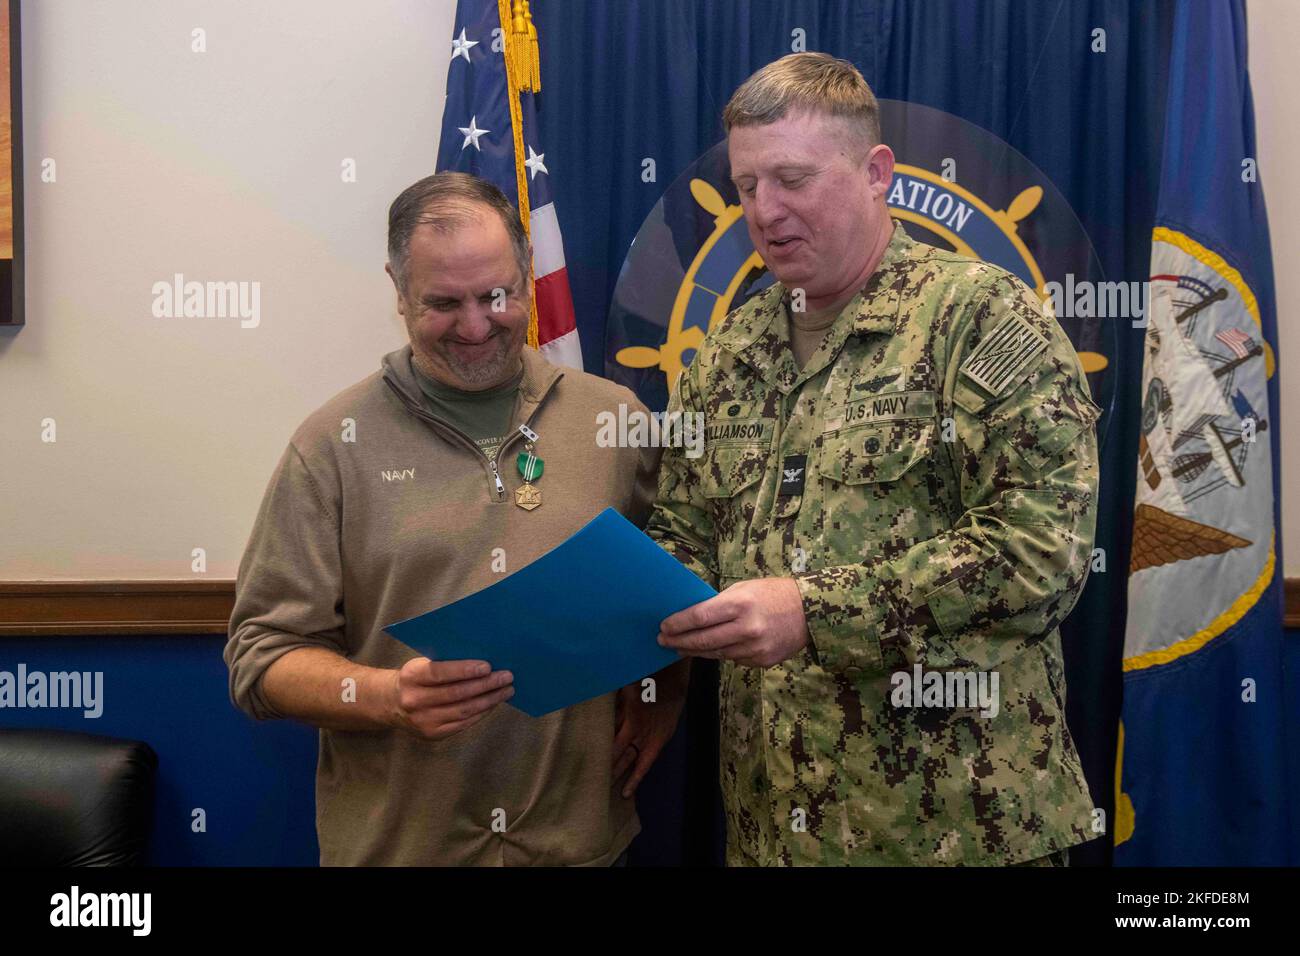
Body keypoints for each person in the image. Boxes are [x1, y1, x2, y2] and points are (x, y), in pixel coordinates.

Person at [647, 53, 1101, 866]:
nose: (766, 209)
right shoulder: (727, 351)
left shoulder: (980, 319)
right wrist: (610, 600)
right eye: (749, 186)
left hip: (961, 834)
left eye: (793, 178)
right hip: (775, 833)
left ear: (877, 172)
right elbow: (683, 534)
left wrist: (812, 613)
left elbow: (1042, 559)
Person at [225, 171, 685, 866]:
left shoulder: (614, 421)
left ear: (528, 277)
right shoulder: (331, 446)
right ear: (398, 290)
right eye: (443, 303)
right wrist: (383, 696)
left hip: (576, 847)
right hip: (401, 849)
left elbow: (680, 580)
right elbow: (259, 661)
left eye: (496, 296)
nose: (475, 326)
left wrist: (665, 691)